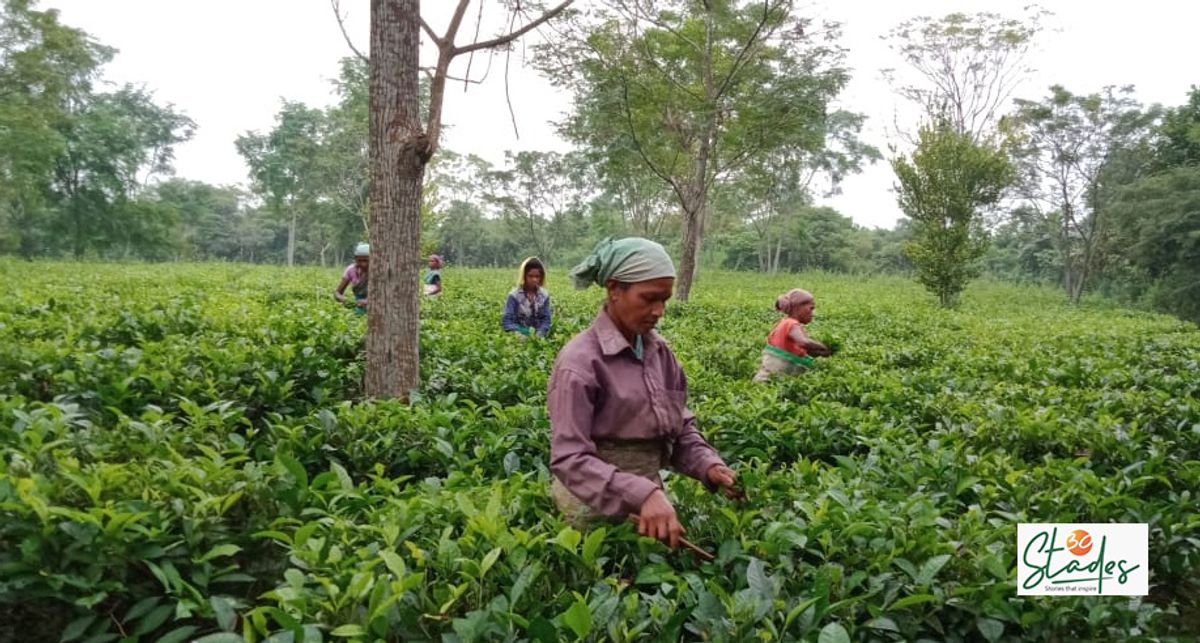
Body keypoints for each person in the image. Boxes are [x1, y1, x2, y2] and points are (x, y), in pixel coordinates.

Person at [548, 237, 737, 548]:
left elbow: (680, 427)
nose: (659, 310)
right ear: (613, 289)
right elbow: (570, 459)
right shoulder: (580, 363)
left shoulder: (660, 353)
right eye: (649, 298)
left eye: (664, 299)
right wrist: (642, 493)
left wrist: (708, 465)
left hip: (652, 499)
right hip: (589, 507)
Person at [752, 288, 832, 382]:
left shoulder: (783, 323)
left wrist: (822, 353)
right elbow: (804, 342)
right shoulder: (791, 323)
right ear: (797, 307)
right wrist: (822, 346)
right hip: (772, 380)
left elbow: (800, 351)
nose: (812, 313)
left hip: (768, 379)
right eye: (811, 308)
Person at [502, 257, 553, 338]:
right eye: (530, 276)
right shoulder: (514, 296)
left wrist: (540, 333)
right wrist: (522, 332)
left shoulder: (544, 295)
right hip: (518, 334)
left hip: (539, 335)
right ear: (524, 276)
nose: (534, 279)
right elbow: (507, 322)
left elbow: (546, 319)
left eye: (537, 276)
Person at [334, 243, 370, 313]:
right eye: (359, 260)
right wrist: (343, 299)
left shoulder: (378, 271)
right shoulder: (351, 270)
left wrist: (367, 301)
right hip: (358, 307)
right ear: (355, 259)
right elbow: (337, 293)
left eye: (366, 260)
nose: (363, 264)